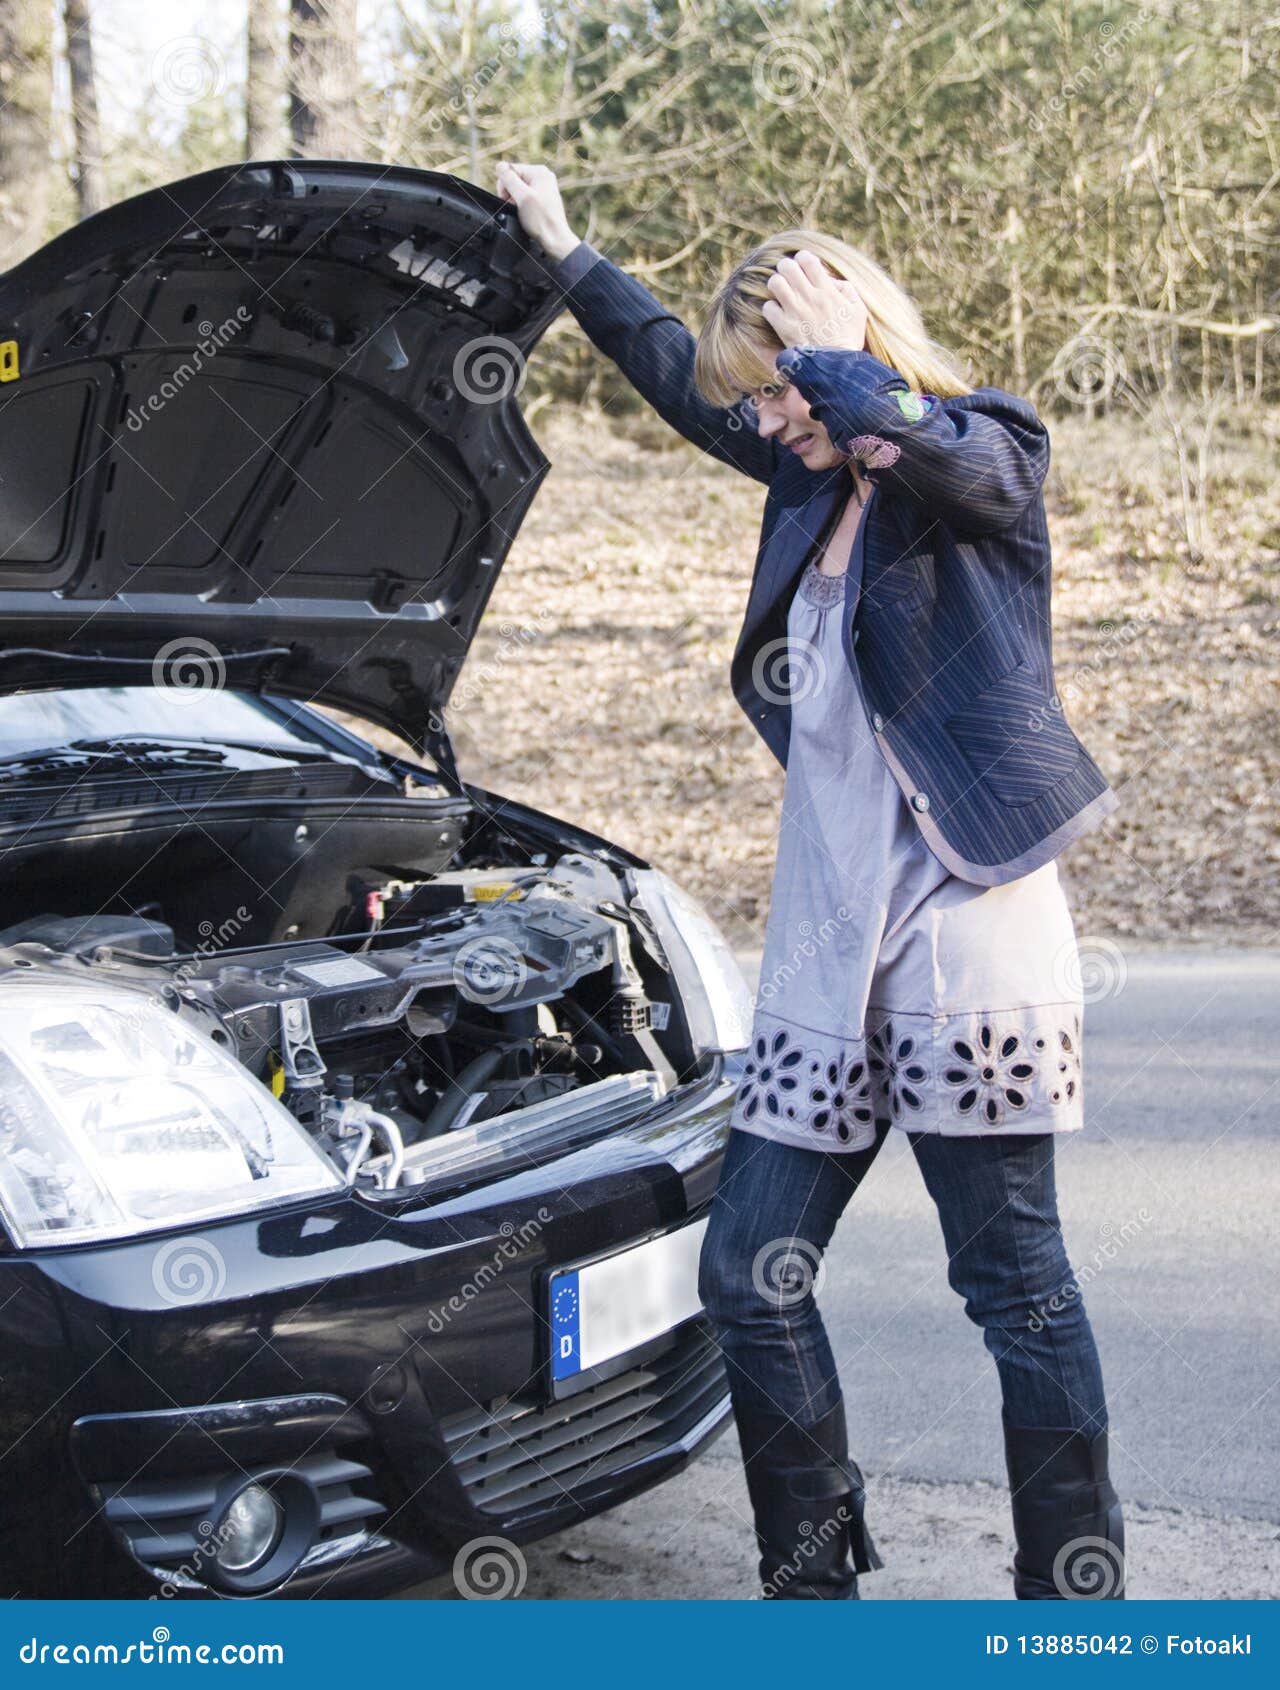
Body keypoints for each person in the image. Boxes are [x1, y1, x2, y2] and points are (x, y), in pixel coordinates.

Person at [496, 160, 1126, 1603]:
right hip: (831, 938)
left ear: (852, 359)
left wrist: (843, 360)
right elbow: (678, 376)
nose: (768, 417)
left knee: (1016, 1291)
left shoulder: (978, 453)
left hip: (966, 931)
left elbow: (963, 461)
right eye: (771, 399)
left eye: (785, 391)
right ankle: (812, 1586)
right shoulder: (808, 473)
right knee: (747, 1271)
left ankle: (1073, 1598)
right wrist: (568, 253)